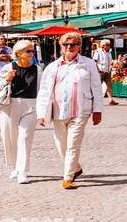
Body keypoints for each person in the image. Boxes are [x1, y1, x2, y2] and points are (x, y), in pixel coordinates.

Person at [35, 31, 104, 190]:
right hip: (58, 111)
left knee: (73, 145)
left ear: (79, 46)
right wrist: (41, 114)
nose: (70, 47)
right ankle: (76, 168)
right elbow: (44, 91)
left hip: (81, 110)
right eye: (66, 44)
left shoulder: (88, 64)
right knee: (61, 145)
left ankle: (67, 178)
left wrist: (98, 110)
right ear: (61, 47)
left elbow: (96, 87)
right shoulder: (52, 67)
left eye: (73, 44)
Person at [0, 39, 39, 183]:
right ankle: (15, 167)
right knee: (9, 138)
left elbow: (43, 90)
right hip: (10, 105)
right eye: (28, 51)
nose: (32, 53)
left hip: (31, 106)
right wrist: (7, 79)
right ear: (19, 53)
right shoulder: (8, 67)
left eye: (33, 51)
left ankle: (22, 171)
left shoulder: (38, 69)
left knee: (25, 137)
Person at [91, 39, 117, 106]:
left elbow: (110, 61)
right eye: (107, 45)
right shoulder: (98, 52)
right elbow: (94, 62)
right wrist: (98, 70)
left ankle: (111, 100)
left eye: (109, 45)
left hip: (108, 71)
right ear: (103, 46)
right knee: (97, 87)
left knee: (109, 86)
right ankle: (94, 100)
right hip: (100, 72)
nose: (109, 46)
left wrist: (113, 64)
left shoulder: (109, 52)